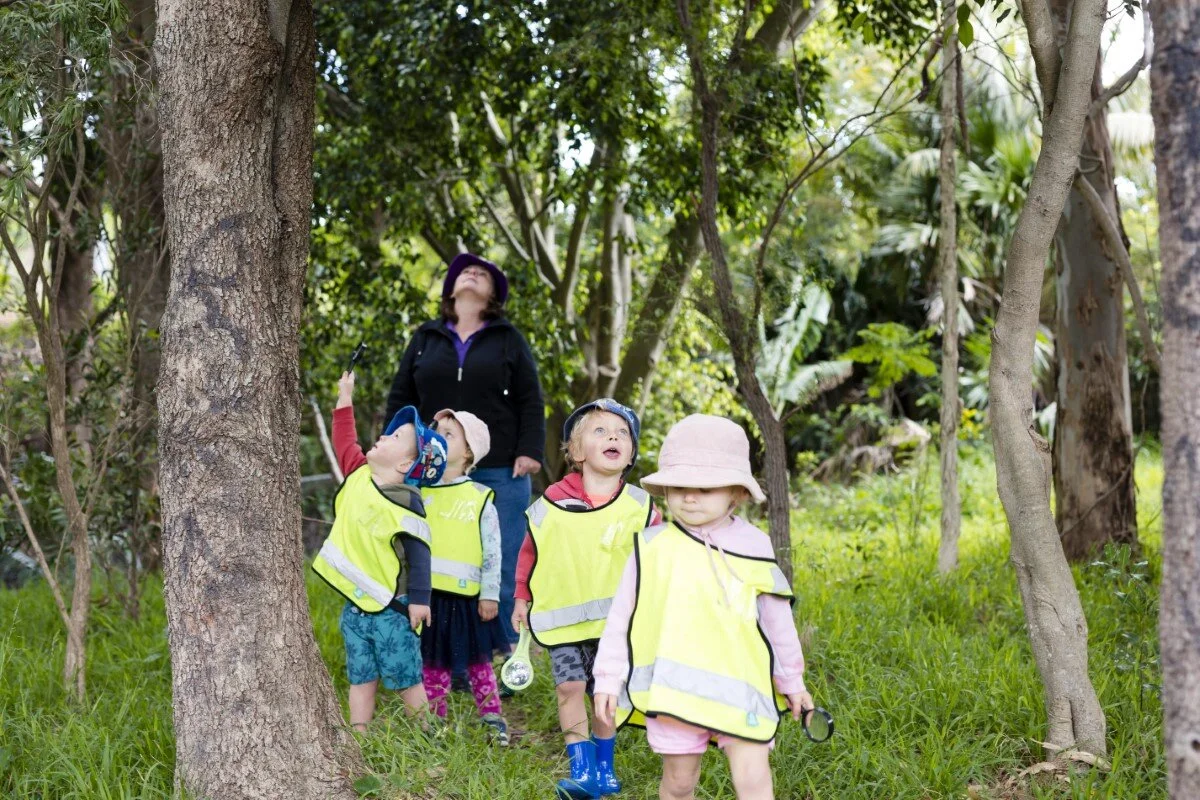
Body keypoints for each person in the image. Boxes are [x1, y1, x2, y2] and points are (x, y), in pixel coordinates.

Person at [593, 414, 813, 800]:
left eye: (705, 488)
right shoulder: (651, 546)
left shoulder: (755, 546)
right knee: (679, 784)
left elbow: (778, 622)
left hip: (742, 688)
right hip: (675, 692)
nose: (690, 497)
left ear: (737, 493)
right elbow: (622, 618)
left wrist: (791, 680)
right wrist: (608, 678)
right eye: (679, 487)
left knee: (754, 780)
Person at [385, 252, 545, 646]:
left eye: (482, 274)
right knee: (427, 557)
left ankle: (503, 649)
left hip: (500, 468)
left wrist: (530, 448)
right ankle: (429, 650)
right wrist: (394, 450)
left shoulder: (507, 338)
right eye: (465, 272)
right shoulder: (426, 337)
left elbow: (530, 397)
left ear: (492, 294)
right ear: (451, 290)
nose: (472, 274)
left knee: (501, 558)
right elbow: (401, 395)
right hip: (430, 469)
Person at [512, 399, 661, 799]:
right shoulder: (550, 505)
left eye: (622, 432)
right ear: (576, 453)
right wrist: (520, 598)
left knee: (605, 695)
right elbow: (531, 554)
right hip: (565, 624)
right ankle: (581, 769)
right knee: (569, 689)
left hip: (616, 626)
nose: (613, 435)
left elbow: (660, 561)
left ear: (630, 452)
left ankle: (604, 769)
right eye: (600, 431)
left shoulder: (641, 507)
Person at [312, 371, 447, 731]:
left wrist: (420, 600)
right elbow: (344, 440)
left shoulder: (406, 504)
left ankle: (427, 734)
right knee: (360, 675)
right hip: (354, 607)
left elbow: (420, 555)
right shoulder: (357, 474)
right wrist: (345, 396)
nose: (384, 434)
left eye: (396, 436)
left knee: (405, 677)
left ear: (405, 465)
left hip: (392, 610)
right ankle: (360, 735)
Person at [419, 408, 511, 745]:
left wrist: (490, 593)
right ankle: (435, 723)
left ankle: (492, 718)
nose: (438, 436)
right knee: (433, 661)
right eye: (437, 430)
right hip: (429, 597)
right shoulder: (421, 492)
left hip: (470, 599)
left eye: (449, 433)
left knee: (478, 661)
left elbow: (493, 550)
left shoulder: (479, 498)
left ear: (468, 452)